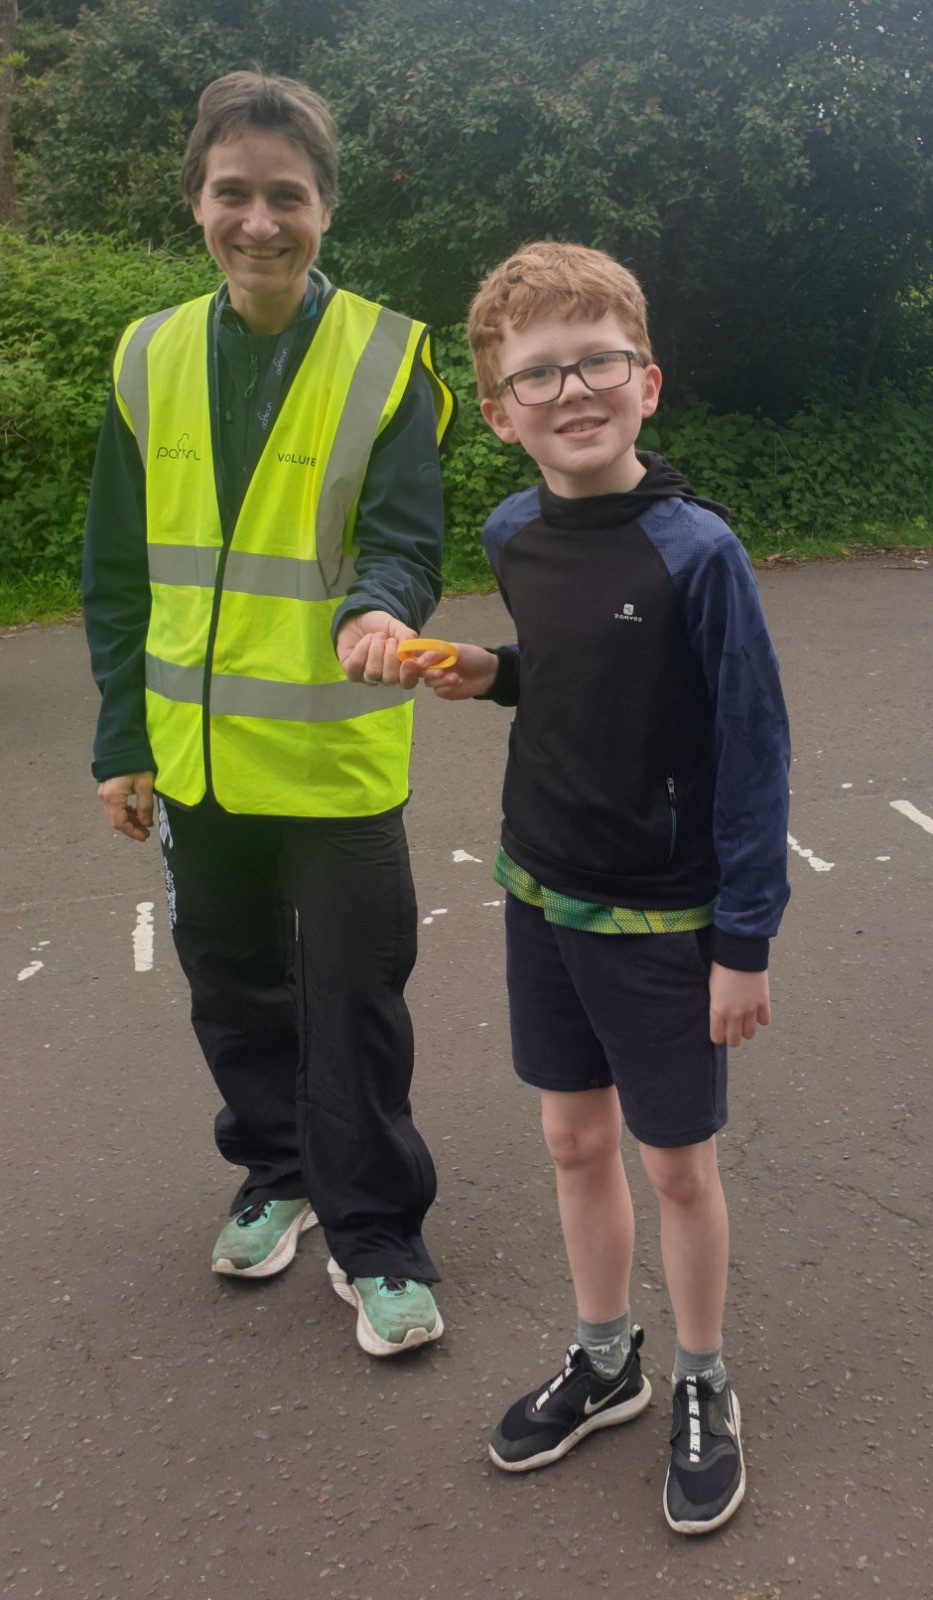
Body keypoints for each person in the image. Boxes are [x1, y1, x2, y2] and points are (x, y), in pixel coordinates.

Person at [411, 241, 790, 1529]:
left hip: (666, 923)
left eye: (599, 363)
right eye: (540, 374)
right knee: (572, 1141)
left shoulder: (700, 554)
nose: (573, 390)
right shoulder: (514, 529)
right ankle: (609, 1357)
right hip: (540, 895)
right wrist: (497, 673)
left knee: (676, 1164)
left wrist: (745, 941)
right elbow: (577, 671)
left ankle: (701, 1376)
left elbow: (751, 750)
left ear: (649, 381)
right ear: (505, 413)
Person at [82, 71, 455, 1358]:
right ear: (196, 202)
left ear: (325, 208)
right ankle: (278, 1174)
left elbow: (407, 536)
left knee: (355, 998)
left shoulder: (389, 354)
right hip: (194, 760)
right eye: (232, 192)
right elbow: (117, 573)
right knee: (232, 988)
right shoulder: (147, 355)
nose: (259, 220)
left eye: (285, 195)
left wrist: (382, 610)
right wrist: (121, 745)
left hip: (336, 757)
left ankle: (379, 1234)